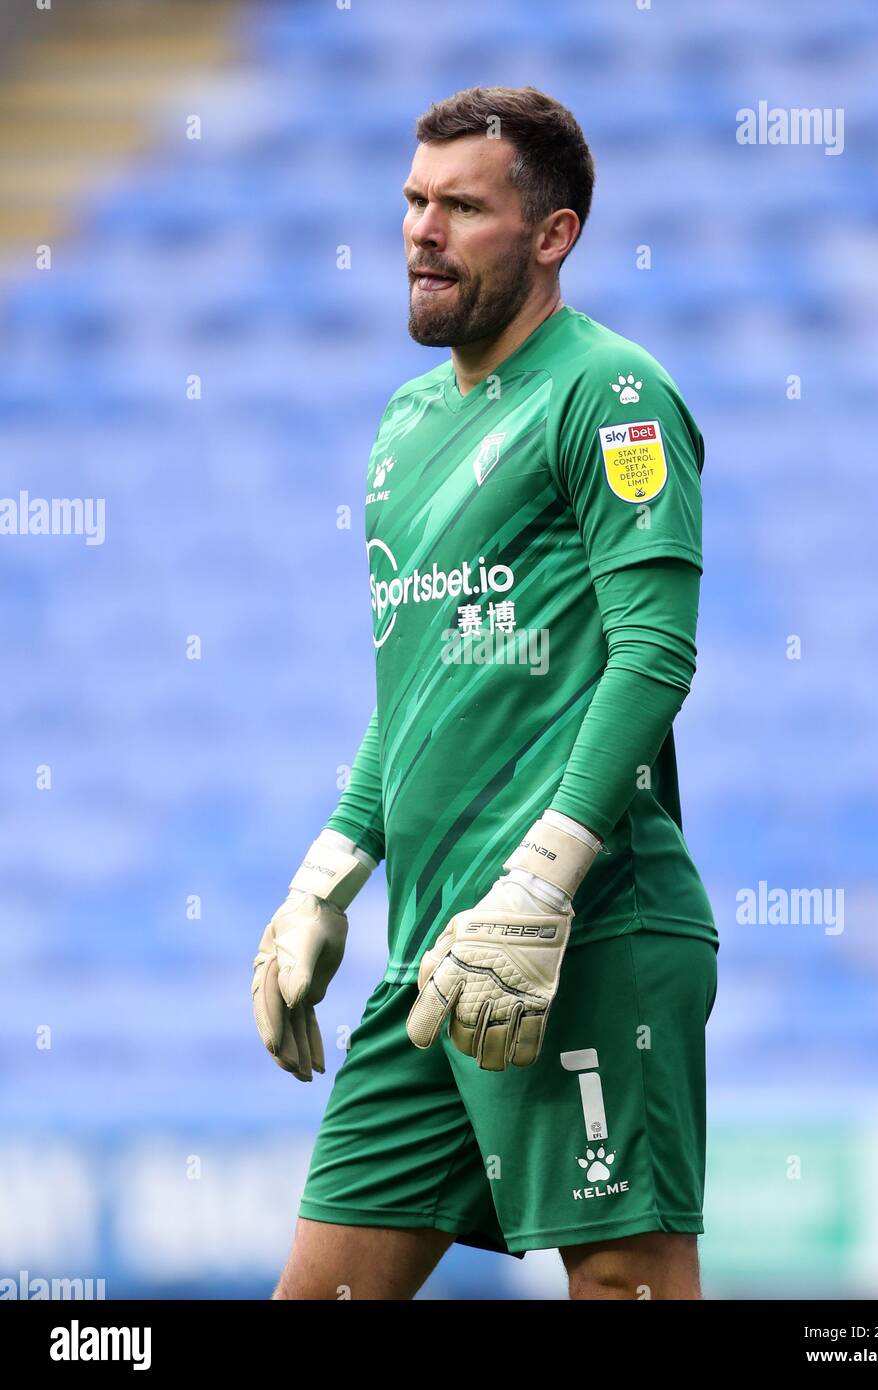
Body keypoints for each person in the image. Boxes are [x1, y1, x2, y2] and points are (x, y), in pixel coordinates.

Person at [252, 85, 718, 1301]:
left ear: (552, 235)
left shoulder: (611, 396)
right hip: (434, 957)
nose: (421, 229)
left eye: (462, 206)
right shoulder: (405, 425)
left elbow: (653, 655)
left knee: (624, 1282)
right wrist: (326, 879)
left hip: (588, 929)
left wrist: (542, 879)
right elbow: (417, 684)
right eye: (414, 200)